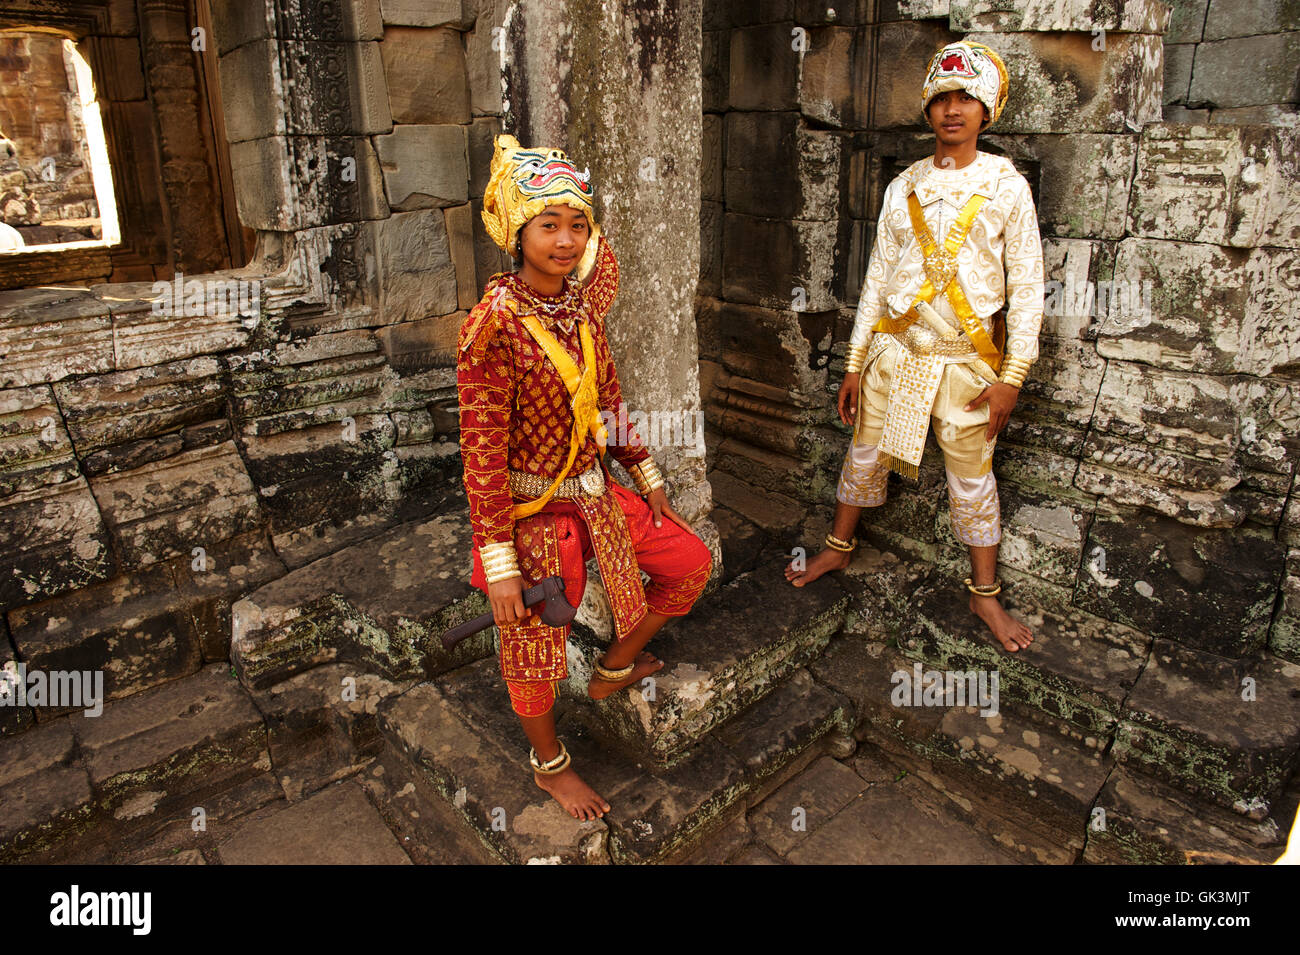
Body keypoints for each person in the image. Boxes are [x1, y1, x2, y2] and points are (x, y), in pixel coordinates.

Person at [457, 135, 713, 820]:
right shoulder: (493, 328)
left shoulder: (582, 311)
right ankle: (549, 763)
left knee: (689, 561)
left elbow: (610, 402)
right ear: (518, 232)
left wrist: (648, 475)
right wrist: (500, 562)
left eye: (577, 225)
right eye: (549, 224)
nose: (566, 240)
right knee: (533, 652)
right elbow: (481, 458)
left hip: (598, 499)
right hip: (530, 515)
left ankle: (611, 670)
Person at [786, 41, 1045, 654]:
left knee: (973, 478)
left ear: (986, 111)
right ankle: (837, 549)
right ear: (929, 110)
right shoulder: (903, 185)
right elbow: (877, 277)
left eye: (966, 99)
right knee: (864, 453)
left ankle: (985, 596)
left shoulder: (1007, 186)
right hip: (893, 355)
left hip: (967, 363)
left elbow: (1029, 289)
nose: (952, 110)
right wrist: (853, 362)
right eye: (942, 99)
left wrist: (1013, 376)